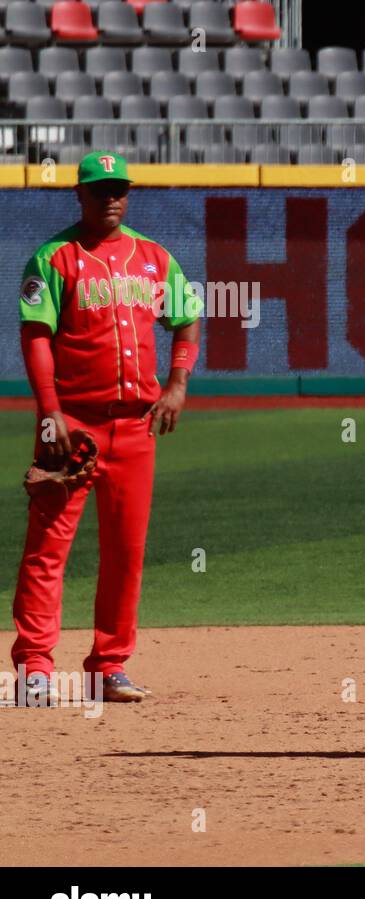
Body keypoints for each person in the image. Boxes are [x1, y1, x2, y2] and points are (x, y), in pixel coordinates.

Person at [13, 150, 201, 706]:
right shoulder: (54, 258)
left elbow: (187, 317)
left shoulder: (153, 258)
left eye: (120, 188)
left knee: (127, 550)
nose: (112, 197)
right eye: (101, 189)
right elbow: (36, 336)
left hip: (137, 426)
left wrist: (178, 384)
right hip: (71, 423)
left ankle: (109, 665)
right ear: (80, 194)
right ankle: (35, 666)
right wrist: (49, 411)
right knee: (48, 548)